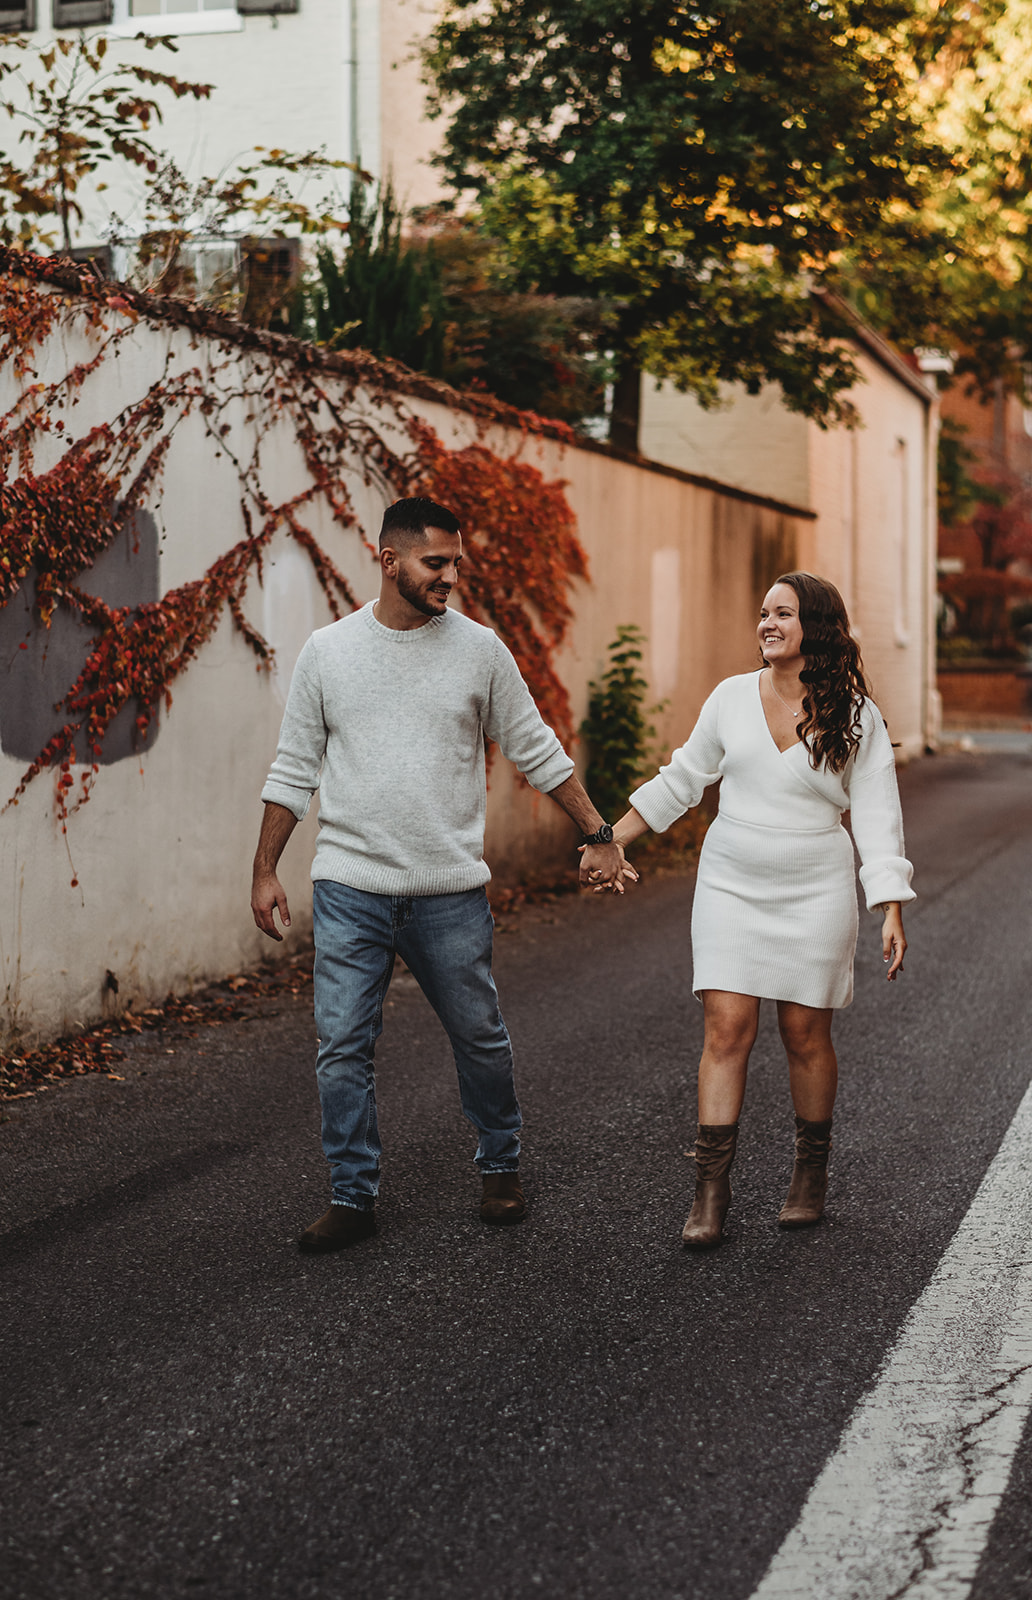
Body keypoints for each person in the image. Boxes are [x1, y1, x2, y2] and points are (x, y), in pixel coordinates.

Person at [251, 496, 626, 1253]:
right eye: (435, 563)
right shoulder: (328, 651)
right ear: (388, 561)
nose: (451, 575)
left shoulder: (480, 651)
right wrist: (265, 870)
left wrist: (600, 832)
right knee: (341, 1046)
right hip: (350, 887)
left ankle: (501, 1163)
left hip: (448, 892)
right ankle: (352, 1195)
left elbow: (537, 748)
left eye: (457, 561)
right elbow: (294, 769)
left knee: (479, 1035)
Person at [582, 571, 914, 1249]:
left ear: (814, 627)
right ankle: (710, 1191)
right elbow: (682, 780)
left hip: (816, 884)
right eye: (762, 612)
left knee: (803, 1035)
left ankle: (809, 1174)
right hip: (732, 879)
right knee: (726, 1030)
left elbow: (878, 813)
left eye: (783, 613)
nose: (767, 623)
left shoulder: (855, 714)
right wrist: (610, 838)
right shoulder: (731, 699)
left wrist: (888, 904)